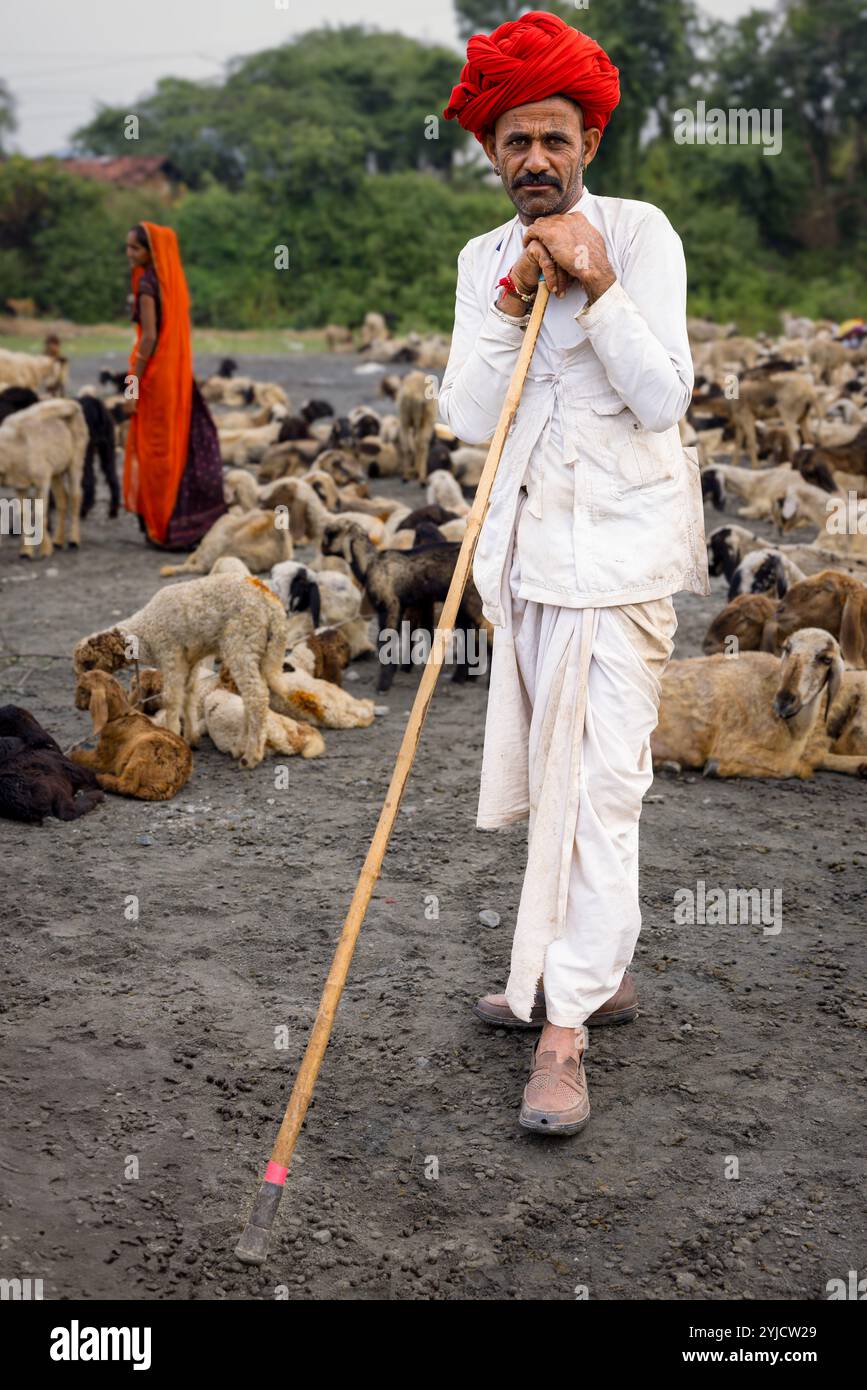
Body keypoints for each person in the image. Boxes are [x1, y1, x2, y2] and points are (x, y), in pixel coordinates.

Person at [440, 12, 708, 1135]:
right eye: (515, 143)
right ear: (492, 154)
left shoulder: (640, 234)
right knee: (563, 787)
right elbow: (465, 415)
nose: (536, 161)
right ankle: (592, 965)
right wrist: (511, 311)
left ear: (586, 141)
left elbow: (665, 399)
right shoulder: (481, 259)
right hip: (528, 564)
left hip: (625, 557)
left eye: (554, 138)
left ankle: (562, 1034)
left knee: (600, 792)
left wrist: (596, 289)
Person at [123, 222, 226, 549]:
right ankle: (183, 525)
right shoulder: (170, 284)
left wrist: (132, 387)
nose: (129, 254)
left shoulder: (148, 287)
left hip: (154, 380)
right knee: (179, 444)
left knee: (156, 451)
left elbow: (150, 338)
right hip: (177, 376)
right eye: (127, 247)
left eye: (135, 248)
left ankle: (161, 526)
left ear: (151, 253)